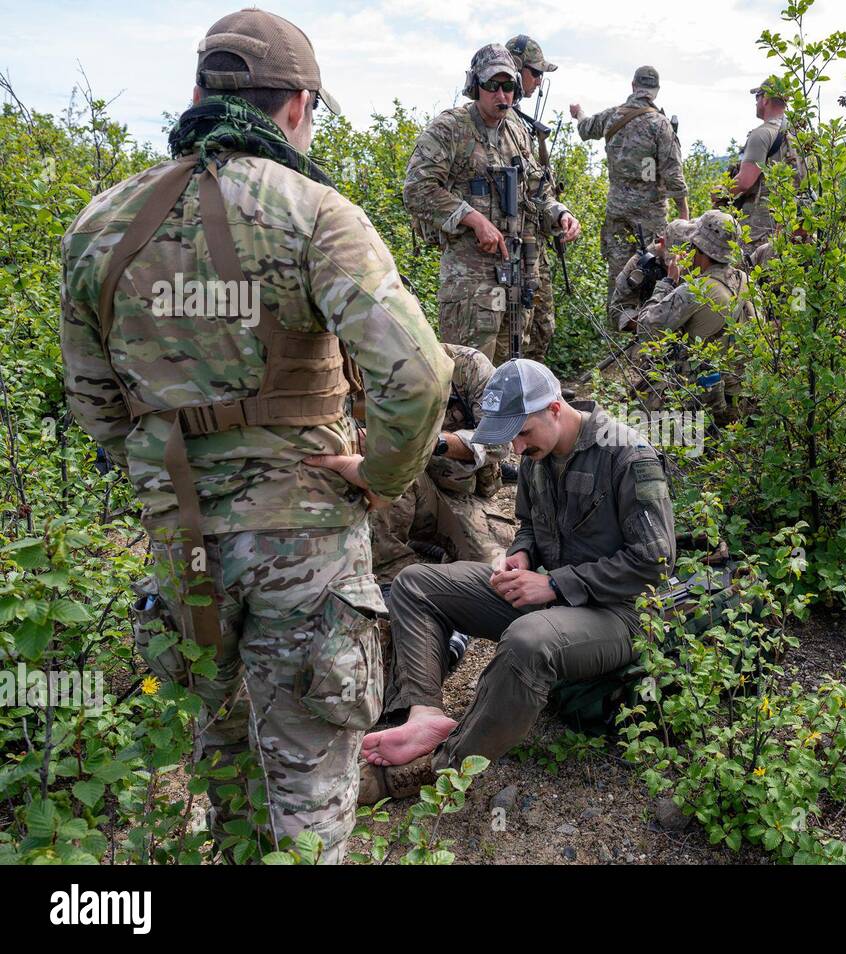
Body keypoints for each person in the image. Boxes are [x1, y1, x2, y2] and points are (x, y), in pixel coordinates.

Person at [60, 8, 452, 863]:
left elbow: (92, 399)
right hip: (304, 545)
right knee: (309, 784)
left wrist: (161, 481)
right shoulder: (313, 211)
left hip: (182, 539)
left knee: (219, 751)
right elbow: (418, 375)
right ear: (298, 105)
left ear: (197, 92)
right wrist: (382, 474)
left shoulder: (100, 224)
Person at [356, 359, 676, 802]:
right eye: (512, 436)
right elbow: (528, 523)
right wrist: (521, 555)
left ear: (556, 408)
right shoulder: (536, 457)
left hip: (620, 615)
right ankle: (422, 713)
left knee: (528, 640)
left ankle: (439, 769)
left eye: (523, 432)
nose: (519, 446)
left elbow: (656, 559)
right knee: (415, 583)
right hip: (556, 602)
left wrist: (554, 585)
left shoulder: (626, 453)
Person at [404, 44, 580, 365]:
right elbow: (417, 189)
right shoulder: (450, 128)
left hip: (515, 273)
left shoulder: (516, 130)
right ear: (475, 86)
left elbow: (536, 191)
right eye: (492, 86)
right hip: (471, 282)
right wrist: (472, 218)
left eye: (509, 86)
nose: (502, 95)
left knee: (510, 377)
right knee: (468, 378)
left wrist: (560, 213)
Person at [370, 343, 515, 586]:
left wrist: (434, 441)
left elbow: (499, 441)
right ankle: (389, 576)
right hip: (404, 490)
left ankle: (435, 542)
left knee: (492, 576)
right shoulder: (373, 372)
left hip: (461, 493)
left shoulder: (469, 366)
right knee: (394, 466)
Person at [571, 66, 688, 322]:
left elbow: (584, 129)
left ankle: (619, 337)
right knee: (651, 275)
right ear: (655, 91)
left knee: (621, 278)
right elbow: (673, 175)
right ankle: (646, 339)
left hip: (617, 217)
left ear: (633, 85)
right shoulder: (660, 125)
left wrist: (578, 112)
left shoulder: (613, 116)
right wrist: (683, 216)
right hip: (650, 220)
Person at [634, 211, 754, 422]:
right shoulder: (744, 279)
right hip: (742, 397)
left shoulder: (697, 290)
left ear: (697, 246)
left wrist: (668, 282)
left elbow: (645, 329)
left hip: (706, 405)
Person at [505, 35, 562, 363]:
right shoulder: (497, 121)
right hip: (514, 241)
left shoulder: (520, 122)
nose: (539, 81)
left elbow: (538, 182)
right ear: (516, 67)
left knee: (540, 322)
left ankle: (536, 391)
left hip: (533, 236)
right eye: (535, 72)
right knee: (519, 325)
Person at [729, 76, 803, 250]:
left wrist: (721, 192)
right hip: (794, 228)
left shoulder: (762, 134)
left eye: (757, 97)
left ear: (766, 99)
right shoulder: (799, 136)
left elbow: (745, 181)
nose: (756, 103)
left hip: (761, 230)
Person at [609, 216, 696, 331]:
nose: (676, 262)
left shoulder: (698, 258)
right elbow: (617, 311)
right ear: (661, 241)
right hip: (651, 329)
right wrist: (648, 325)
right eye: (670, 257)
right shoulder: (641, 263)